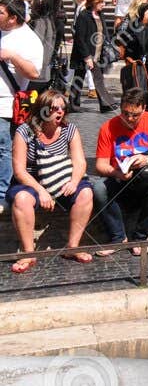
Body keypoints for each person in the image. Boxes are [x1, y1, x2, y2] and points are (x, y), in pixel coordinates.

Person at [7, 88, 98, 271]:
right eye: (55, 108)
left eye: (62, 108)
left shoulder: (69, 130)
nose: (60, 112)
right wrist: (41, 191)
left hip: (60, 178)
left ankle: (72, 247)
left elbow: (79, 162)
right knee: (22, 199)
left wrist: (73, 182)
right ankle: (28, 254)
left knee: (86, 192)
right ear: (43, 108)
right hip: (31, 181)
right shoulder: (24, 131)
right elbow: (19, 170)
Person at [94, 91, 148, 255]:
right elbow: (100, 165)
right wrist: (117, 173)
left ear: (144, 108)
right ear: (120, 108)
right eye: (125, 113)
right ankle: (117, 238)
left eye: (135, 115)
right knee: (99, 188)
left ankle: (140, 239)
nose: (130, 119)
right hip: (120, 180)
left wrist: (147, 160)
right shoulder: (108, 127)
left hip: (146, 180)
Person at [0, 0, 45, 203]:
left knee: (4, 148)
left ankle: (1, 196)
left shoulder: (28, 39)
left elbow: (34, 73)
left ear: (13, 18)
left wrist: (12, 56)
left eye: (1, 13)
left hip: (6, 103)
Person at [67, 0, 116, 114]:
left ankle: (105, 104)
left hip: (98, 52)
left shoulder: (100, 14)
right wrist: (87, 56)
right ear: (94, 2)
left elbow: (104, 31)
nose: (104, 4)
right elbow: (80, 37)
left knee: (98, 78)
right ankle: (73, 104)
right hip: (84, 53)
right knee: (79, 78)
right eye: (101, 2)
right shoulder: (84, 16)